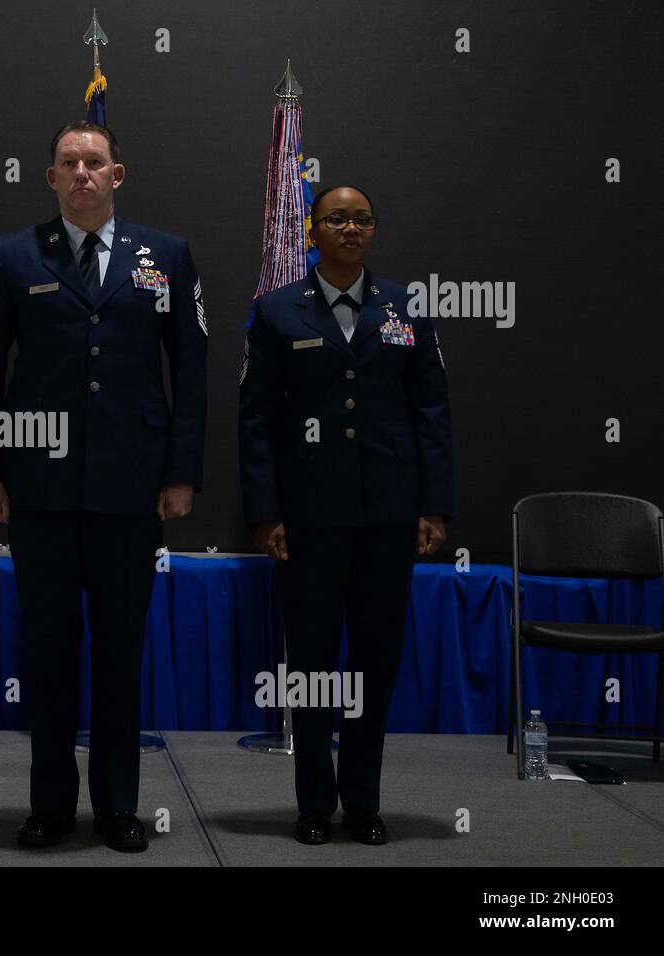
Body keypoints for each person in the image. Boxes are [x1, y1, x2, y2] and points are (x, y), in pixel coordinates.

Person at [0, 121, 207, 852]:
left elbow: (189, 374)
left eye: (93, 162)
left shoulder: (166, 255)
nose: (81, 173)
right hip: (37, 487)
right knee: (47, 651)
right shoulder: (12, 256)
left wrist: (181, 473)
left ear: (117, 174)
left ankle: (116, 807)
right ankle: (47, 805)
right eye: (68, 163)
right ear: (50, 178)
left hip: (132, 488)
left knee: (120, 650)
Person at [238, 185, 454, 846]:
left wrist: (434, 508)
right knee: (310, 662)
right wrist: (265, 512)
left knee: (375, 660)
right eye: (338, 218)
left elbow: (433, 415)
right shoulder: (277, 312)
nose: (351, 228)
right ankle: (313, 802)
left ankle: (362, 801)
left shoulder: (407, 307)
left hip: (389, 515)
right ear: (313, 229)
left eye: (362, 218)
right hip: (308, 518)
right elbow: (256, 422)